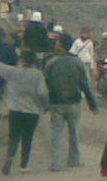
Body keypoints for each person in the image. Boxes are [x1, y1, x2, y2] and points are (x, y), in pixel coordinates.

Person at [43, 34, 100, 170]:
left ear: (61, 44)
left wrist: (45, 104)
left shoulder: (51, 62)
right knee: (74, 132)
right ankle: (74, 160)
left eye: (57, 42)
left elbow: (45, 84)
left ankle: (57, 163)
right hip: (74, 102)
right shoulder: (77, 62)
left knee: (56, 133)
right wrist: (93, 105)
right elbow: (85, 84)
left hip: (56, 103)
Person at [0, 50, 50, 174]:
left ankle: (9, 158)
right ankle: (23, 165)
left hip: (15, 110)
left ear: (22, 60)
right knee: (27, 137)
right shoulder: (38, 75)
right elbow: (42, 92)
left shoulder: (12, 71)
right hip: (32, 111)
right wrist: (45, 105)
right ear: (34, 61)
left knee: (13, 136)